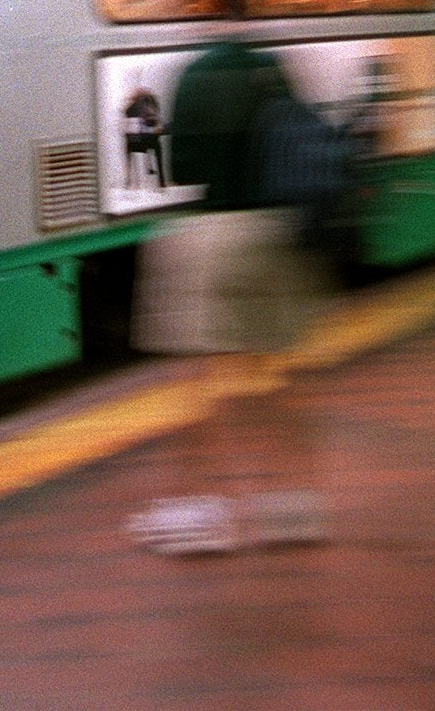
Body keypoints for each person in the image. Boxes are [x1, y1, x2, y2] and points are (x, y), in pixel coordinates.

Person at [123, 40, 340, 555]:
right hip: (277, 233)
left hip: (214, 234)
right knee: (275, 375)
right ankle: (293, 506)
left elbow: (183, 167)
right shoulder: (272, 67)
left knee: (197, 382)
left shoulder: (197, 71)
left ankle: (199, 512)